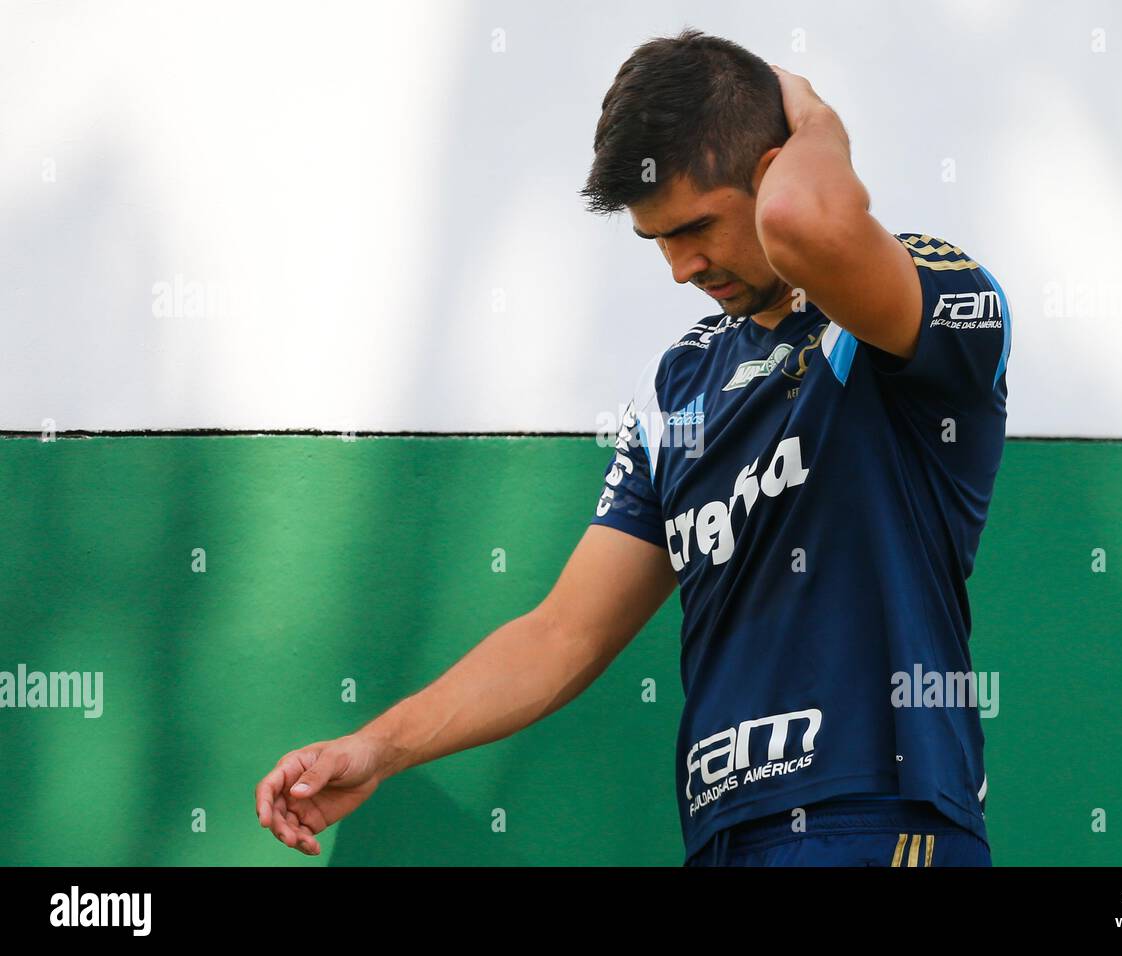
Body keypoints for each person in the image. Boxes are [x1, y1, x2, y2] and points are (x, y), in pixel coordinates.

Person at [255, 28, 1011, 867]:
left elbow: (808, 223)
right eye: (657, 239)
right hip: (725, 835)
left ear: (770, 173)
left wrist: (816, 121)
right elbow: (560, 636)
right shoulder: (677, 384)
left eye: (696, 228)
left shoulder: (911, 301)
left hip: (880, 818)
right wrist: (380, 747)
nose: (681, 268)